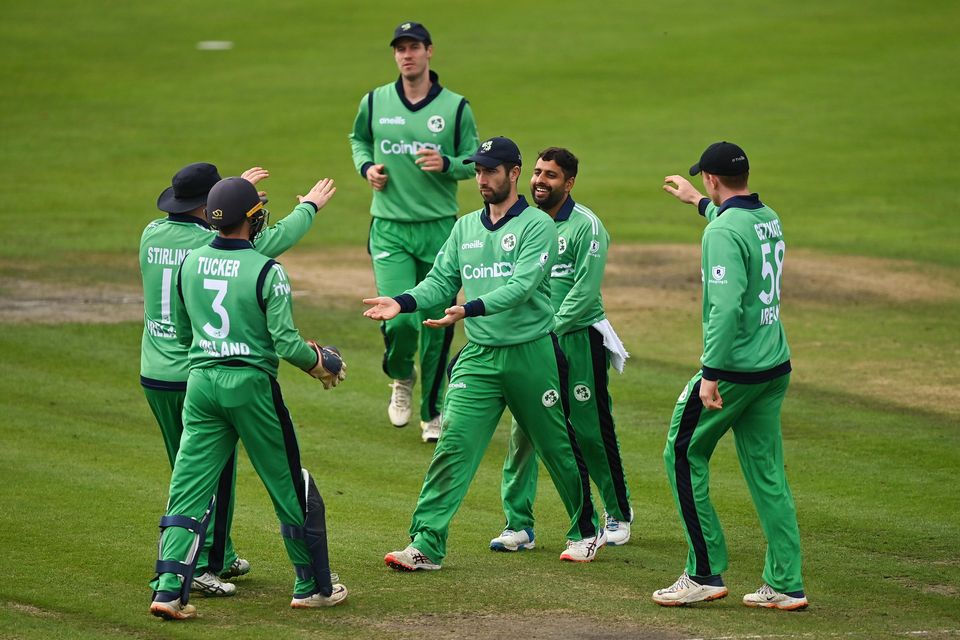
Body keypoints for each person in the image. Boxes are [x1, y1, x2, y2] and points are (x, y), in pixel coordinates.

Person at [363, 137, 605, 571]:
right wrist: (403, 302)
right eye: (477, 170)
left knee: (556, 448)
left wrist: (468, 308)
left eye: (490, 171)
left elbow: (523, 286)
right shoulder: (465, 228)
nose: (481, 179)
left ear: (513, 174)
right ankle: (426, 544)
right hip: (480, 355)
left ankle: (585, 531)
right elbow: (440, 282)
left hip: (531, 353)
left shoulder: (537, 226)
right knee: (453, 446)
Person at [148, 176, 347, 620]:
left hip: (200, 385)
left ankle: (167, 590)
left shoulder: (189, 263)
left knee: (187, 489)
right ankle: (312, 585)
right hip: (251, 388)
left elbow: (183, 334)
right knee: (288, 485)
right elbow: (288, 344)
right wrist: (323, 362)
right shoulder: (267, 270)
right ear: (251, 220)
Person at [654, 142, 807, 610]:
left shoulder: (722, 232)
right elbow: (734, 230)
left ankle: (703, 571)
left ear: (713, 179)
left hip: (735, 368)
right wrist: (697, 204)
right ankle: (785, 582)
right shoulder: (767, 216)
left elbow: (724, 306)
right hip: (773, 365)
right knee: (767, 475)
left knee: (681, 453)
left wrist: (710, 373)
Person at [491, 147, 634, 554]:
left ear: (568, 183)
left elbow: (585, 295)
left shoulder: (587, 226)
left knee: (589, 427)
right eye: (537, 172)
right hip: (531, 341)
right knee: (524, 431)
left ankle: (617, 512)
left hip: (575, 337)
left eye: (551, 175)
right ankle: (518, 524)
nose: (540, 180)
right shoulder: (523, 224)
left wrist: (547, 330)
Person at [349, 20, 481, 443]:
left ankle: (432, 412)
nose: (407, 55)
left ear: (429, 51)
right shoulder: (375, 101)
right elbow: (358, 140)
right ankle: (401, 376)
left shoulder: (456, 108)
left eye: (414, 47)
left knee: (437, 321)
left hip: (440, 229)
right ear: (395, 55)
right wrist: (366, 167)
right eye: (400, 48)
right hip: (389, 228)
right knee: (402, 318)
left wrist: (447, 164)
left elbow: (475, 162)